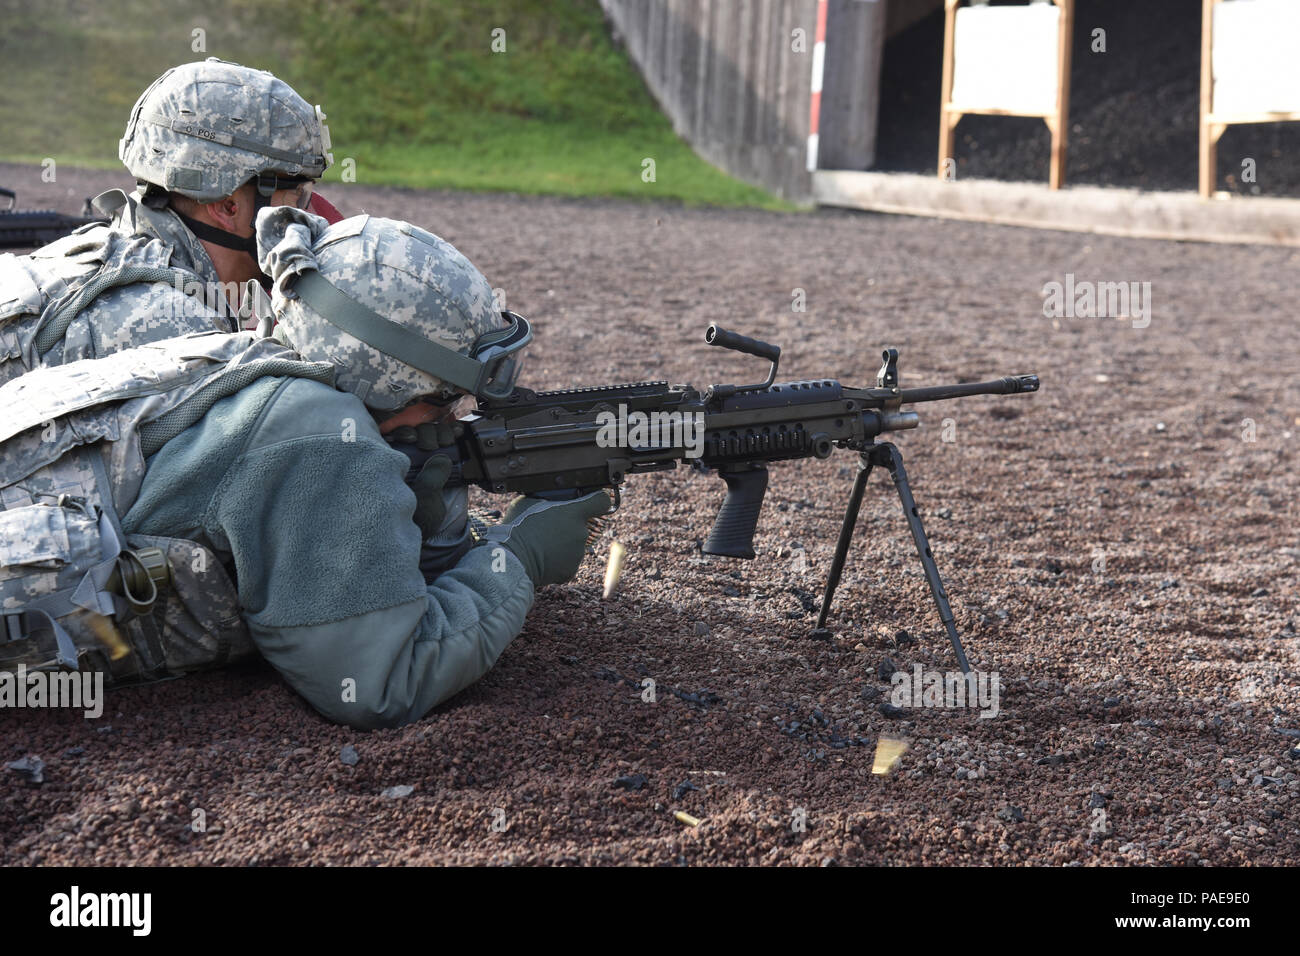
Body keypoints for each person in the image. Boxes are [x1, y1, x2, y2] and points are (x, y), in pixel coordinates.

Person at [0, 208, 609, 729]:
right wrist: (517, 557)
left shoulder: (242, 359)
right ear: (385, 377)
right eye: (444, 397)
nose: (453, 416)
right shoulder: (319, 434)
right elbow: (379, 682)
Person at [0, 58, 337, 385]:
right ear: (228, 206)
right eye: (298, 195)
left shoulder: (98, 253)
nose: (311, 215)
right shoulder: (186, 336)